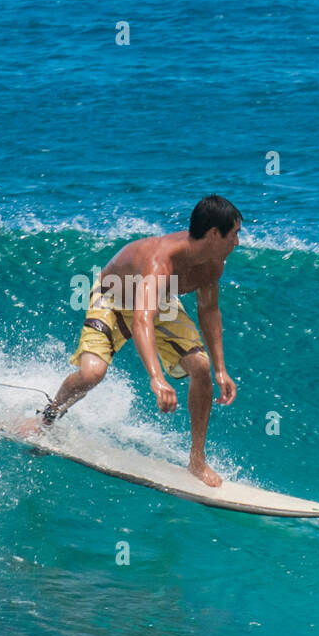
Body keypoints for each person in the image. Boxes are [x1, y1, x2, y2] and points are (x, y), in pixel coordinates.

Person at [21, 195, 241, 487]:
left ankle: (197, 461)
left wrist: (220, 369)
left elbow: (209, 311)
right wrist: (156, 378)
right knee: (91, 373)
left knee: (201, 367)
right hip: (112, 298)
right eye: (234, 234)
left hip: (160, 301)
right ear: (214, 234)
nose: (237, 242)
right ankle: (47, 418)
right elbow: (141, 320)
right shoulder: (160, 261)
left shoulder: (214, 264)